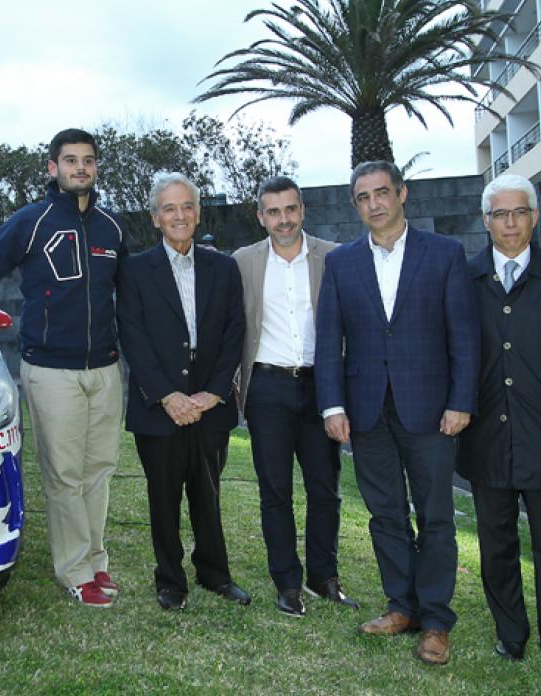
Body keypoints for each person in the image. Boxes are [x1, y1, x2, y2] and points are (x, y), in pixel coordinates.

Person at [0, 128, 129, 608]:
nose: (80, 168)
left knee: (99, 470)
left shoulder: (113, 228)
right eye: (70, 160)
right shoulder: (31, 221)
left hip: (104, 370)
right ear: (53, 168)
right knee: (64, 473)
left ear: (96, 167)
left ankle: (96, 560)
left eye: (87, 160)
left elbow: (135, 294)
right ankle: (75, 570)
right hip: (50, 371)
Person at [314, 160, 479, 666]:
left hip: (431, 411)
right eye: (363, 198)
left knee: (435, 518)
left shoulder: (445, 255)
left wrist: (461, 402)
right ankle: (400, 606)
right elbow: (328, 340)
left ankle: (435, 621)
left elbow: (465, 337)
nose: (374, 204)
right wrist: (333, 405)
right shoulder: (341, 263)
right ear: (355, 205)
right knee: (385, 515)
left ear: (402, 193)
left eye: (382, 193)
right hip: (366, 413)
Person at [457, 174, 541, 674]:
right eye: (499, 214)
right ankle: (509, 634)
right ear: (486, 220)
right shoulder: (465, 277)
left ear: (534, 218)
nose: (509, 223)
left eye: (519, 213)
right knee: (497, 545)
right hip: (486, 436)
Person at [116, 172, 250, 611]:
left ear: (197, 213)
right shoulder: (134, 271)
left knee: (208, 494)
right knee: (164, 497)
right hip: (159, 408)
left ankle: (215, 574)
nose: (179, 215)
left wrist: (213, 393)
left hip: (210, 406)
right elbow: (132, 336)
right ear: (156, 218)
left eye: (186, 206)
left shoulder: (223, 267)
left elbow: (235, 333)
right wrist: (168, 396)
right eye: (169, 208)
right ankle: (170, 580)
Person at [232, 175, 356, 618]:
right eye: (273, 212)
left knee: (325, 489)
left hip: (321, 386)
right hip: (267, 386)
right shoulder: (244, 261)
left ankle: (324, 578)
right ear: (260, 216)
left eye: (290, 209)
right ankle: (287, 583)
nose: (283, 220)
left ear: (302, 210)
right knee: (275, 491)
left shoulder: (335, 258)